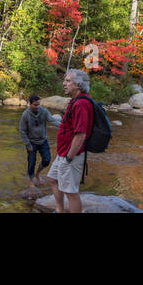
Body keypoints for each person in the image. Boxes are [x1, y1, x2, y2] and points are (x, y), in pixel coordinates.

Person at [46, 69, 94, 213]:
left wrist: (68, 158)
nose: (64, 83)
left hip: (71, 155)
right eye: (65, 80)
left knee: (71, 192)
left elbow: (81, 135)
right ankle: (60, 210)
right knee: (52, 178)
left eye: (68, 81)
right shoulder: (75, 101)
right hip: (64, 153)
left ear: (78, 85)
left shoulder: (81, 104)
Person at [19, 95, 52, 186]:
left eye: (39, 104)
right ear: (30, 104)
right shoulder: (25, 114)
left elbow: (52, 120)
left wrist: (63, 125)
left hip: (43, 141)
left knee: (47, 160)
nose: (37, 107)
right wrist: (27, 144)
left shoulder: (44, 111)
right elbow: (22, 131)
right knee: (31, 162)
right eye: (35, 105)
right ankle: (31, 179)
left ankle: (37, 174)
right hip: (31, 142)